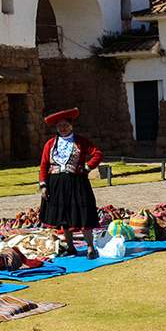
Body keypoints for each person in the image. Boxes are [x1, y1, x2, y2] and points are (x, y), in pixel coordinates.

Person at [38, 107, 104, 259]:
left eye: (65, 125)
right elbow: (43, 165)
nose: (63, 128)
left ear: (71, 126)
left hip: (77, 183)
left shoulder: (81, 142)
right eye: (60, 126)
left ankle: (90, 247)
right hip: (56, 184)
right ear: (56, 127)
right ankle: (70, 247)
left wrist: (87, 167)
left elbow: (97, 154)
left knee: (82, 214)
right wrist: (43, 185)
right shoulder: (50, 144)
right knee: (64, 216)